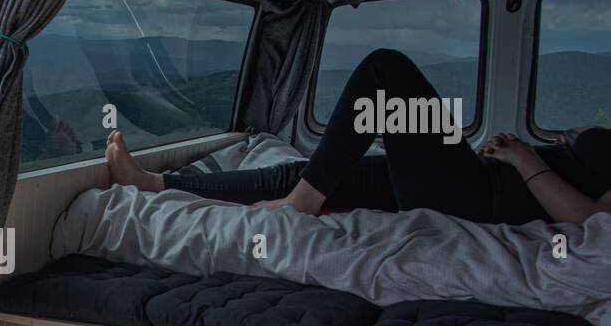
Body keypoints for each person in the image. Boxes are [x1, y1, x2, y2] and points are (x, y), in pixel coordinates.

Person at [106, 48, 611, 225]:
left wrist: (525, 160)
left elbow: (592, 221)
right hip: (477, 178)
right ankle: (156, 184)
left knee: (384, 71)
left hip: (478, 200)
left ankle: (302, 205)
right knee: (305, 172)